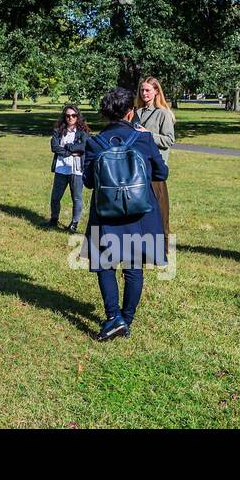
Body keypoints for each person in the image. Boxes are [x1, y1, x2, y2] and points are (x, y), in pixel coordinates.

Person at [82, 87, 168, 341]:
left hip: (106, 212)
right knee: (133, 267)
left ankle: (114, 318)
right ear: (131, 112)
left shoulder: (94, 142)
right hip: (139, 213)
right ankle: (126, 320)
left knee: (104, 266)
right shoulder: (143, 138)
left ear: (105, 114)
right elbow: (161, 173)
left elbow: (88, 181)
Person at [135, 77, 175, 233]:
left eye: (147, 90)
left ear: (156, 91)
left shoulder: (163, 113)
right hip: (138, 167)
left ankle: (163, 247)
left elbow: (169, 140)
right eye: (142, 90)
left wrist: (148, 135)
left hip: (155, 169)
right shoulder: (137, 112)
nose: (144, 93)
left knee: (159, 210)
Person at [48, 105, 90, 232]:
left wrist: (68, 147)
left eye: (73, 115)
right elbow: (54, 147)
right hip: (61, 168)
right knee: (55, 197)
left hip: (76, 169)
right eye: (67, 115)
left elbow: (84, 147)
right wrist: (71, 151)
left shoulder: (83, 132)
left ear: (78, 116)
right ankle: (54, 220)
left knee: (76, 197)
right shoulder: (58, 130)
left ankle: (74, 224)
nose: (70, 118)